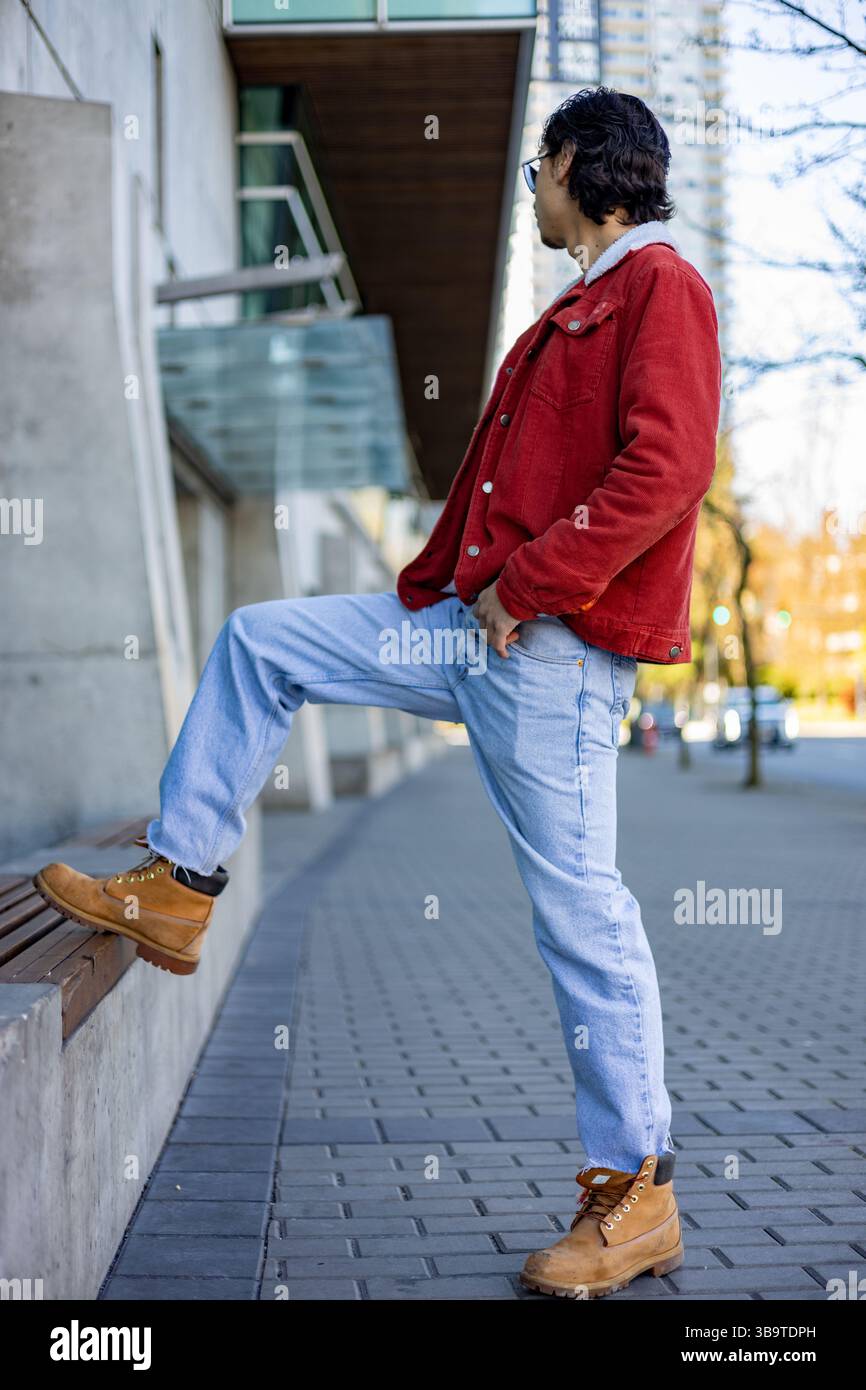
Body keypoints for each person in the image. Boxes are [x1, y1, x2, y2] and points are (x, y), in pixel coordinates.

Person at [34, 87, 721, 1298]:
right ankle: (181, 884)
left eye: (538, 168)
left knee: (582, 917)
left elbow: (665, 468)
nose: (535, 188)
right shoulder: (584, 299)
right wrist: (456, 589)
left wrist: (527, 585)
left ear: (578, 164)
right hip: (465, 632)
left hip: (548, 651)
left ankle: (637, 1190)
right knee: (261, 638)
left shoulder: (660, 288)